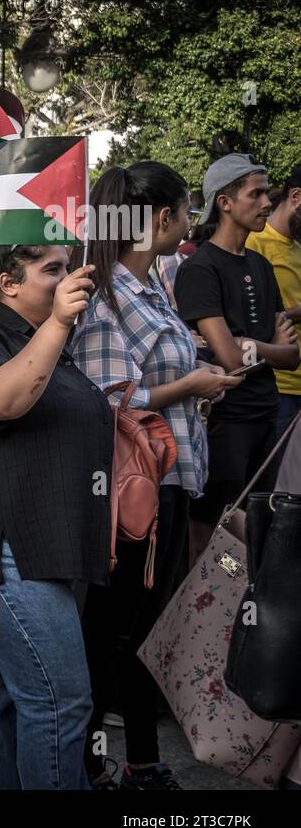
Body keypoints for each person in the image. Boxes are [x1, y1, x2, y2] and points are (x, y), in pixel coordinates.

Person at [74, 163, 242, 790]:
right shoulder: (105, 294)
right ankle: (98, 764)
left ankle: (141, 762)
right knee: (119, 629)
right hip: (138, 488)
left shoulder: (151, 286)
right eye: (184, 210)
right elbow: (109, 398)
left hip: (171, 477)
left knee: (142, 627)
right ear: (161, 219)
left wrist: (197, 390)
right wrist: (191, 384)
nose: (191, 222)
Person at [0, 244, 109, 789]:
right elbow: (0, 403)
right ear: (8, 282)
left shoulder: (41, 337)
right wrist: (57, 323)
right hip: (6, 547)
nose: (69, 278)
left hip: (44, 542)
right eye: (52, 270)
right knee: (60, 705)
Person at [175, 154, 298, 558]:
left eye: (267, 192)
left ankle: (243, 613)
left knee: (260, 521)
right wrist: (262, 348)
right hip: (226, 420)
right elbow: (228, 358)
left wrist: (255, 346)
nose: (267, 202)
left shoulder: (260, 265)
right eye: (256, 193)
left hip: (268, 412)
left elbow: (292, 355)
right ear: (224, 203)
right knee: (211, 524)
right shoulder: (199, 268)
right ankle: (200, 617)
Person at [246, 164, 301, 439]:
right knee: (274, 478)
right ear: (296, 197)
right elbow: (248, 322)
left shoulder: (298, 249)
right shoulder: (255, 244)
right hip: (280, 388)